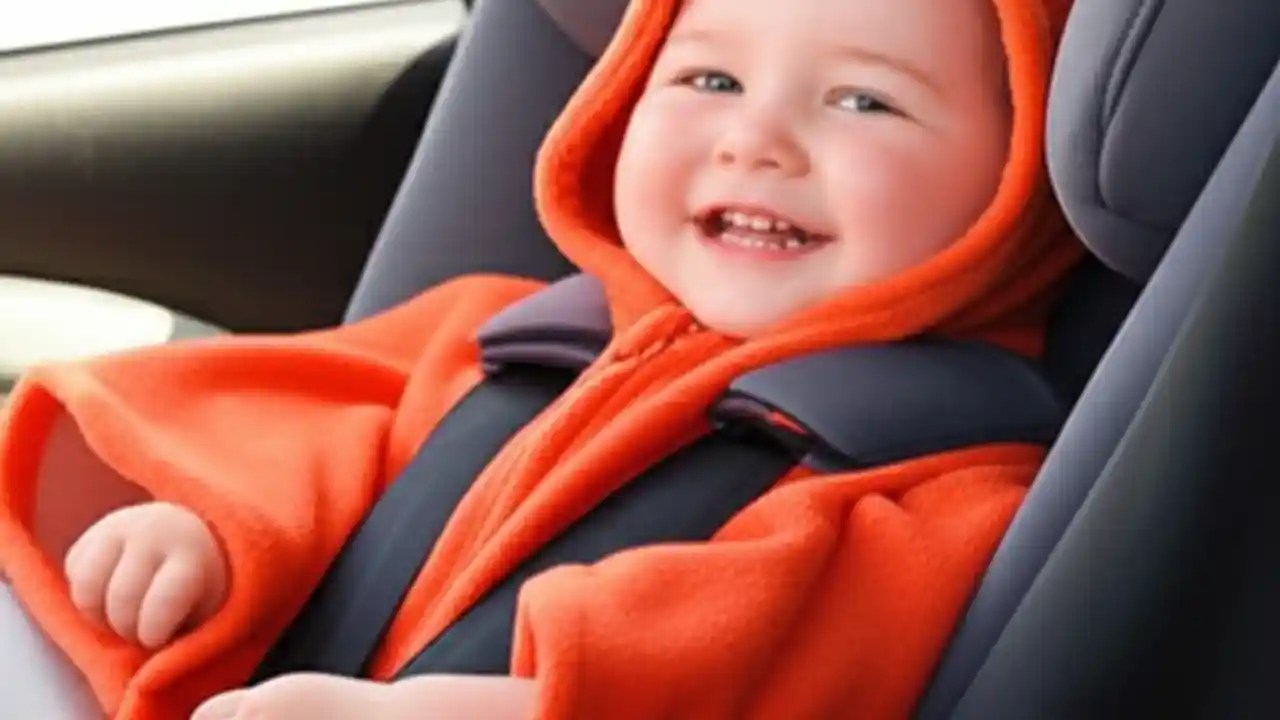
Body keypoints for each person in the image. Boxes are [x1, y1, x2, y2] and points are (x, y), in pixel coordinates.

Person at [0, 0, 1079, 717]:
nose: (755, 141)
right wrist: (200, 533)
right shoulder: (506, 334)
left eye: (863, 101)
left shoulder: (937, 492)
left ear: (1016, 179)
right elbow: (304, 438)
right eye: (708, 80)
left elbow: (739, 650)